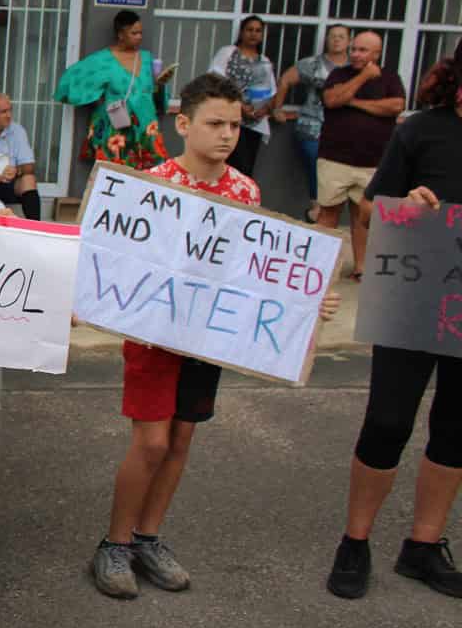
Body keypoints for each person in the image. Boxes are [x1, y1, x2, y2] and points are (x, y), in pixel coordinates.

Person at [90, 74, 340, 600]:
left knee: (181, 440)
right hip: (154, 337)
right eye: (215, 123)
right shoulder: (153, 185)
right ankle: (114, 543)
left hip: (210, 338)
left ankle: (148, 538)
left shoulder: (246, 191)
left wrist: (308, 300)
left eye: (235, 125)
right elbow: (117, 259)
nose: (227, 134)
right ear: (183, 124)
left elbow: (257, 271)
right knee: (151, 443)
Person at [326, 40, 462, 601]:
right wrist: (408, 206)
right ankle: (354, 541)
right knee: (387, 421)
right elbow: (368, 211)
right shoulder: (420, 130)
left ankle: (422, 547)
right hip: (413, 292)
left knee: (455, 429)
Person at [316, 30, 405, 280]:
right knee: (328, 212)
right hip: (334, 158)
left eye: (362, 50)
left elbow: (395, 106)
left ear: (377, 53)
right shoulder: (339, 74)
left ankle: (361, 268)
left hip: (372, 161)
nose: (355, 54)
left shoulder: (390, 78)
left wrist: (353, 102)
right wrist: (364, 76)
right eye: (354, 49)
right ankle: (319, 268)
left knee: (362, 216)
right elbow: (332, 100)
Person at [54, 9, 174, 169]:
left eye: (140, 33)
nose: (139, 37)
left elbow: (154, 95)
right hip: (116, 127)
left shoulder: (147, 58)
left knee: (145, 177)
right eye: (134, 33)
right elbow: (72, 81)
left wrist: (160, 84)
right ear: (121, 34)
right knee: (113, 175)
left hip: (144, 129)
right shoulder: (103, 60)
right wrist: (94, 96)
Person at [274, 24, 351, 223]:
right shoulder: (314, 64)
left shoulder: (355, 67)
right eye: (332, 36)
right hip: (312, 125)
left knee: (338, 168)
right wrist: (277, 108)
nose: (336, 40)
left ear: (349, 41)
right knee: (316, 163)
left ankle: (330, 209)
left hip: (344, 128)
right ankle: (316, 207)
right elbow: (285, 80)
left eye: (341, 36)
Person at [207, 14, 276, 179]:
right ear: (241, 32)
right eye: (249, 30)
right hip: (229, 119)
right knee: (231, 165)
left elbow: (271, 91)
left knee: (246, 171)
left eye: (258, 31)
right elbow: (215, 80)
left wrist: (265, 109)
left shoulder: (264, 61)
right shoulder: (228, 53)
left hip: (255, 122)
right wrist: (240, 106)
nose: (253, 34)